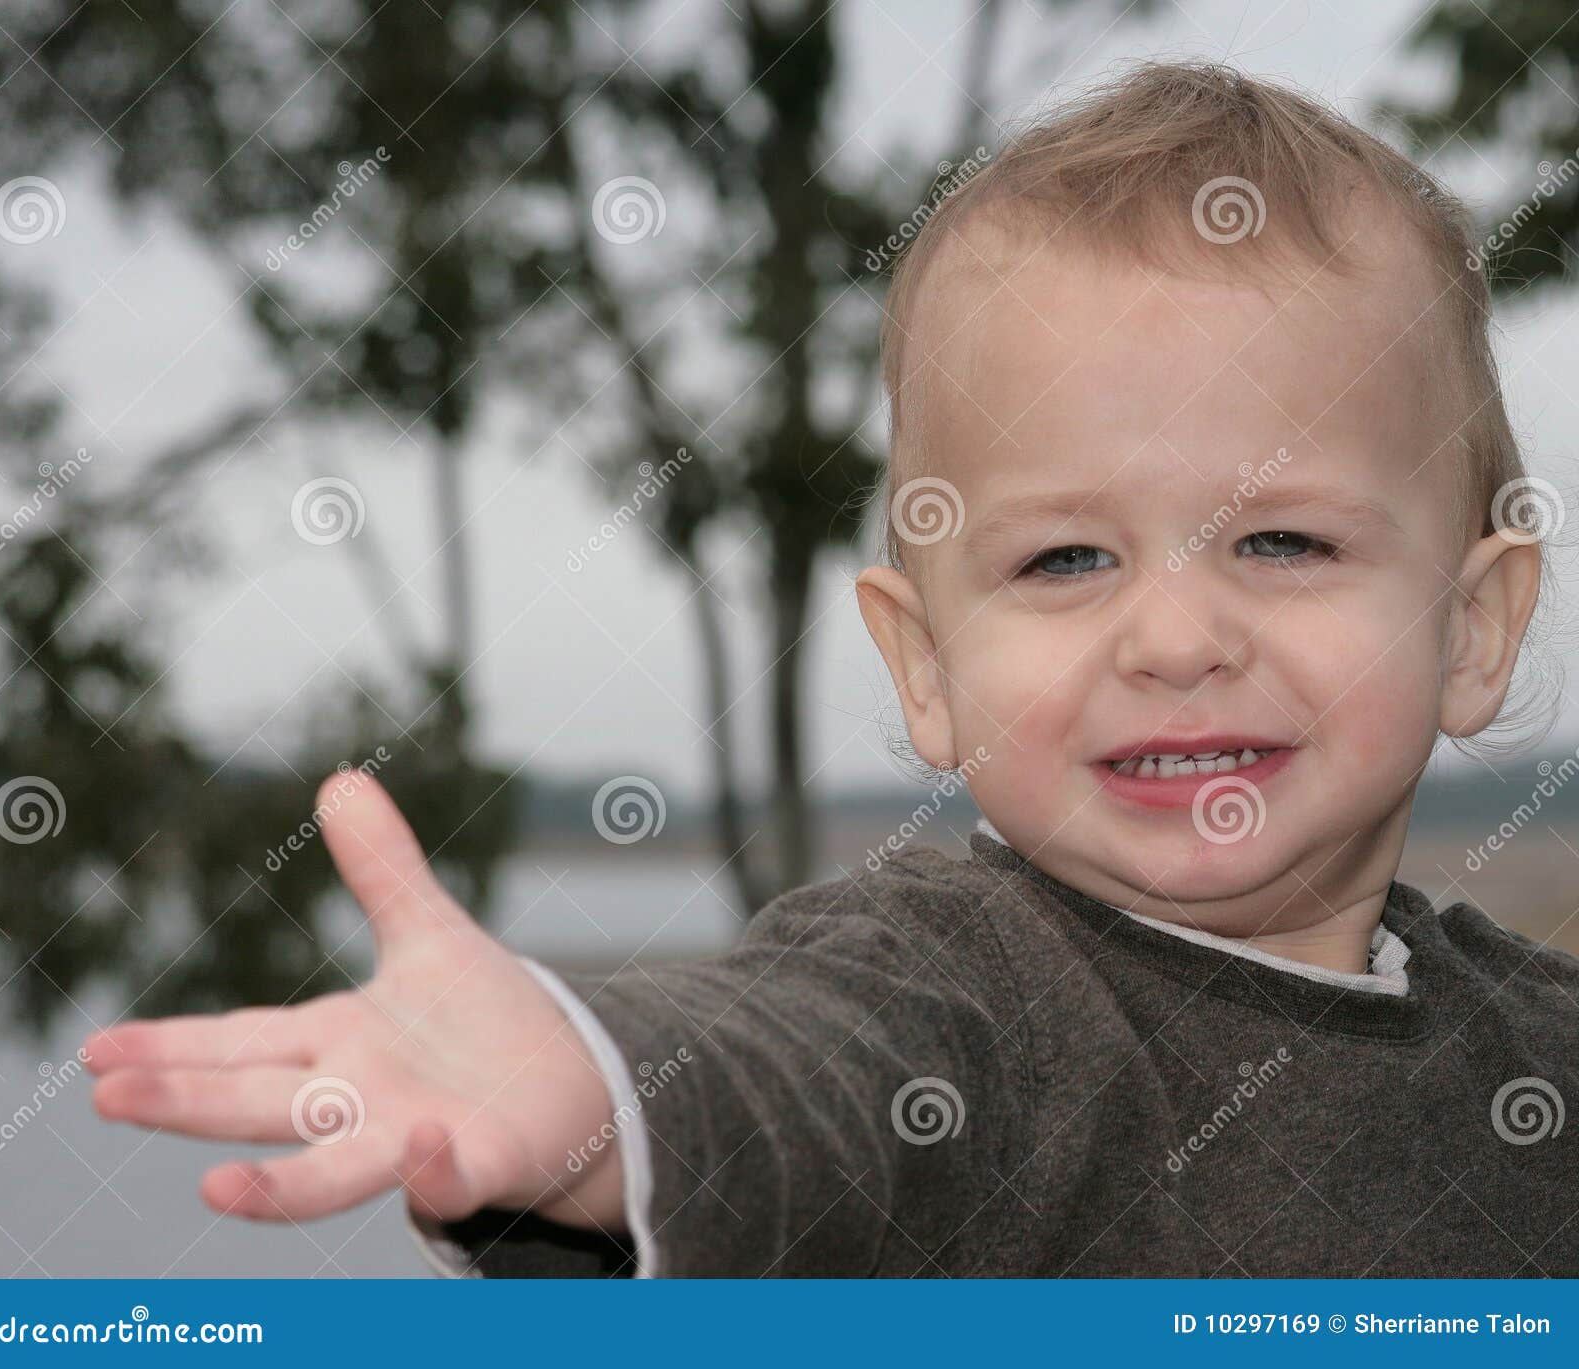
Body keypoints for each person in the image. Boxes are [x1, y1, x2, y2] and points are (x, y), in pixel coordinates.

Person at [83, 61, 1579, 1277]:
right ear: (925, 668)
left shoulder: (1536, 1047)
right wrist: (598, 1094)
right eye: (1066, 560)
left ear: (1476, 621)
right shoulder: (962, 995)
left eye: (1282, 542)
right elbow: (787, 1068)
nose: (1176, 638)